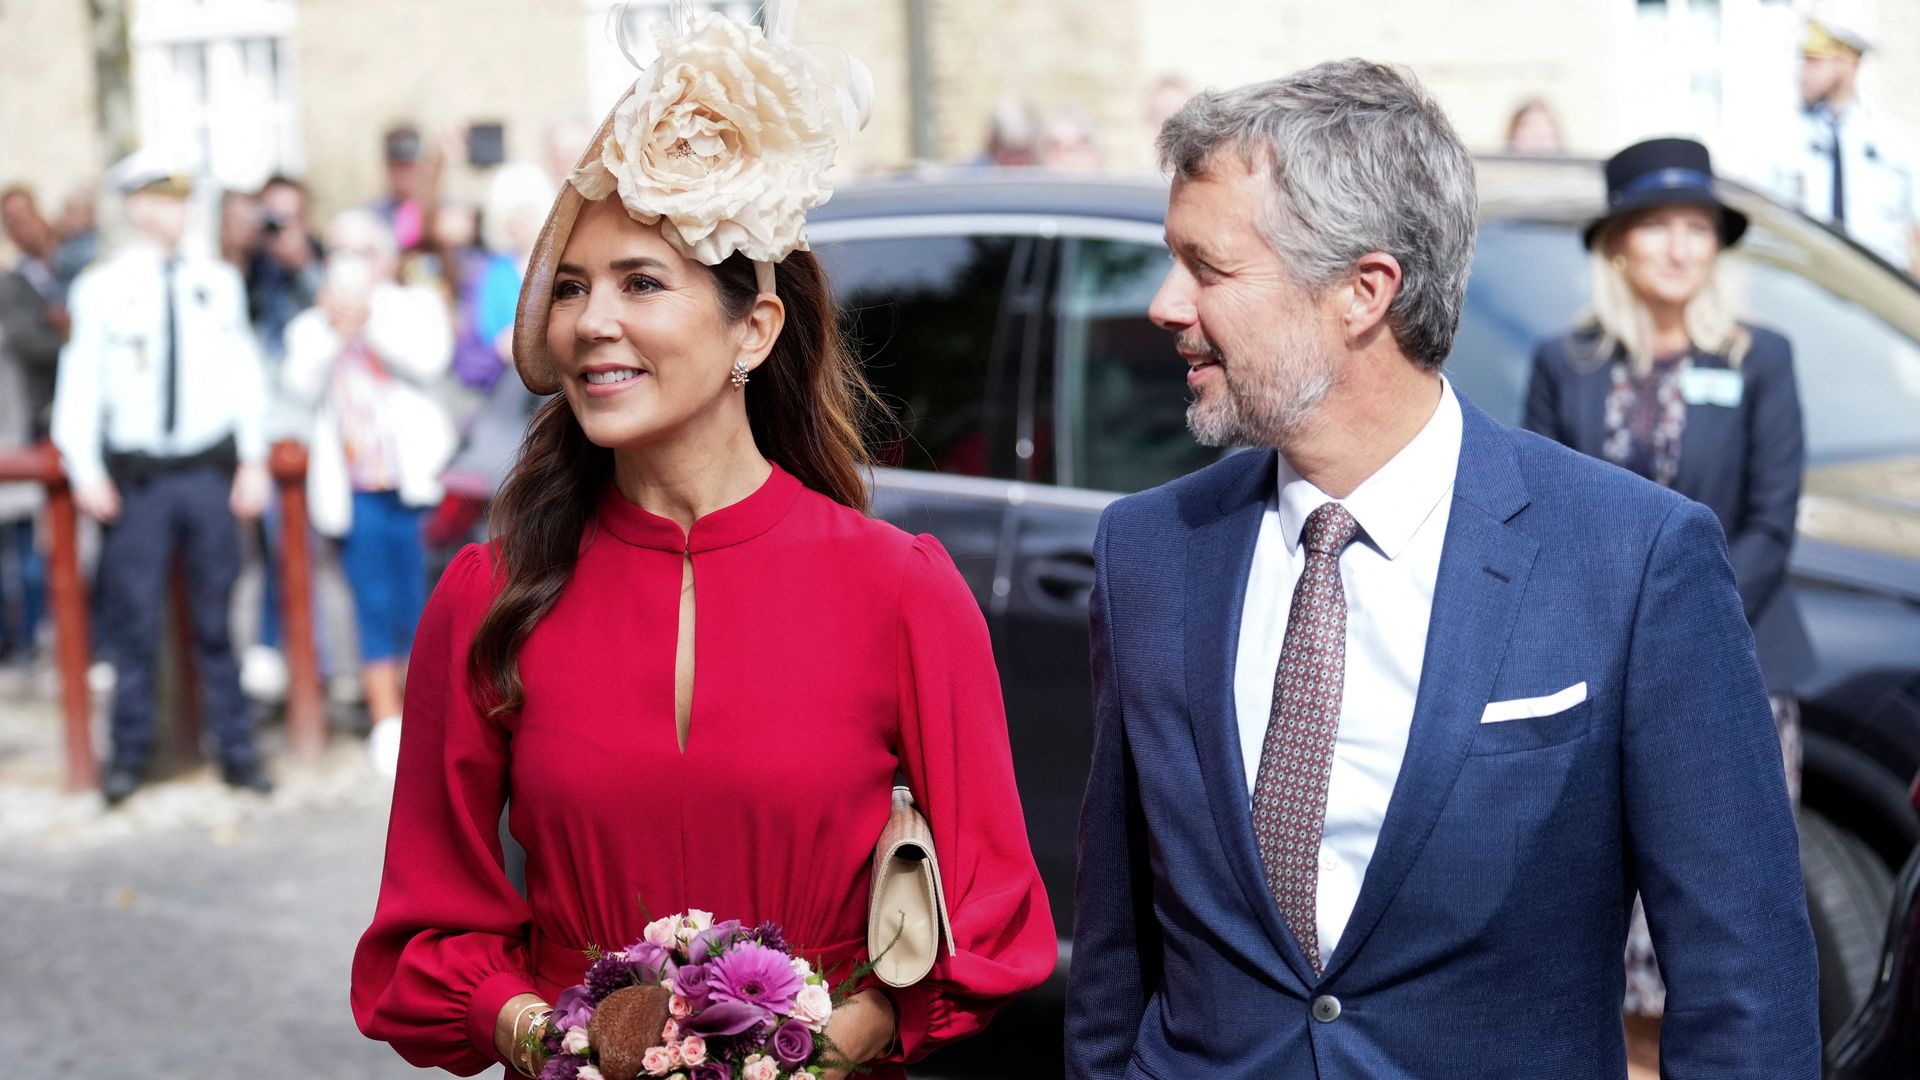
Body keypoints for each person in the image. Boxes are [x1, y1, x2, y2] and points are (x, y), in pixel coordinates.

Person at [1065, 61, 1817, 1078]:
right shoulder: (1149, 553)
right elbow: (1116, 958)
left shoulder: (1632, 559)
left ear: (1363, 292)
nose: (1165, 304)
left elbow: (1746, 991)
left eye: (1209, 267)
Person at [350, 7, 1054, 1078]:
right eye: (575, 289)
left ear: (753, 331)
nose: (591, 323)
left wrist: (831, 1044)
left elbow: (990, 917)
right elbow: (426, 929)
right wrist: (549, 1033)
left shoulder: (898, 589)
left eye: (641, 283)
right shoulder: (492, 592)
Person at [1524, 136, 1813, 1075]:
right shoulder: (1565, 363)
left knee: (1720, 931)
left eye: (1698, 229)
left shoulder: (1760, 358)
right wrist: (1611, 643)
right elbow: (1539, 519)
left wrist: (1687, 637)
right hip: (1590, 680)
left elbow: (1771, 521)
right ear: (1617, 243)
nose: (1682, 249)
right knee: (1600, 935)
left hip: (1739, 675)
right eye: (1659, 228)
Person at [50, 154, 274, 803]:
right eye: (162, 200)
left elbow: (242, 374)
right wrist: (85, 467)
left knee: (216, 618)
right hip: (139, 481)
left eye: (182, 201)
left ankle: (235, 749)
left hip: (206, 471)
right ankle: (130, 752)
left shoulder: (215, 282)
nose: (175, 214)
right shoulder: (102, 286)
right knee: (133, 622)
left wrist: (254, 457)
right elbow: (82, 384)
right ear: (138, 206)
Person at [282, 209, 454, 778]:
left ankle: (432, 718)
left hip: (418, 485)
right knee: (373, 604)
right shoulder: (311, 325)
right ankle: (386, 721)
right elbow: (299, 389)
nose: (353, 264)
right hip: (356, 489)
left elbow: (430, 362)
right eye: (342, 253)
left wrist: (369, 319)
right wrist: (336, 330)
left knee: (429, 604)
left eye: (365, 252)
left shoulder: (413, 306)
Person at [1762, 17, 1919, 274]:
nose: (1804, 73)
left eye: (1815, 61)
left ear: (1847, 63)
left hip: (1880, 289)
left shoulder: (1896, 141)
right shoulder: (1784, 138)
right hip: (1810, 287)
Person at [0, 186, 69, 438]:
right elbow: (28, 342)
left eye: (24, 215)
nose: (21, 225)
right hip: (47, 404)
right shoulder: (11, 283)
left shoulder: (73, 255)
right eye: (11, 220)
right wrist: (73, 333)